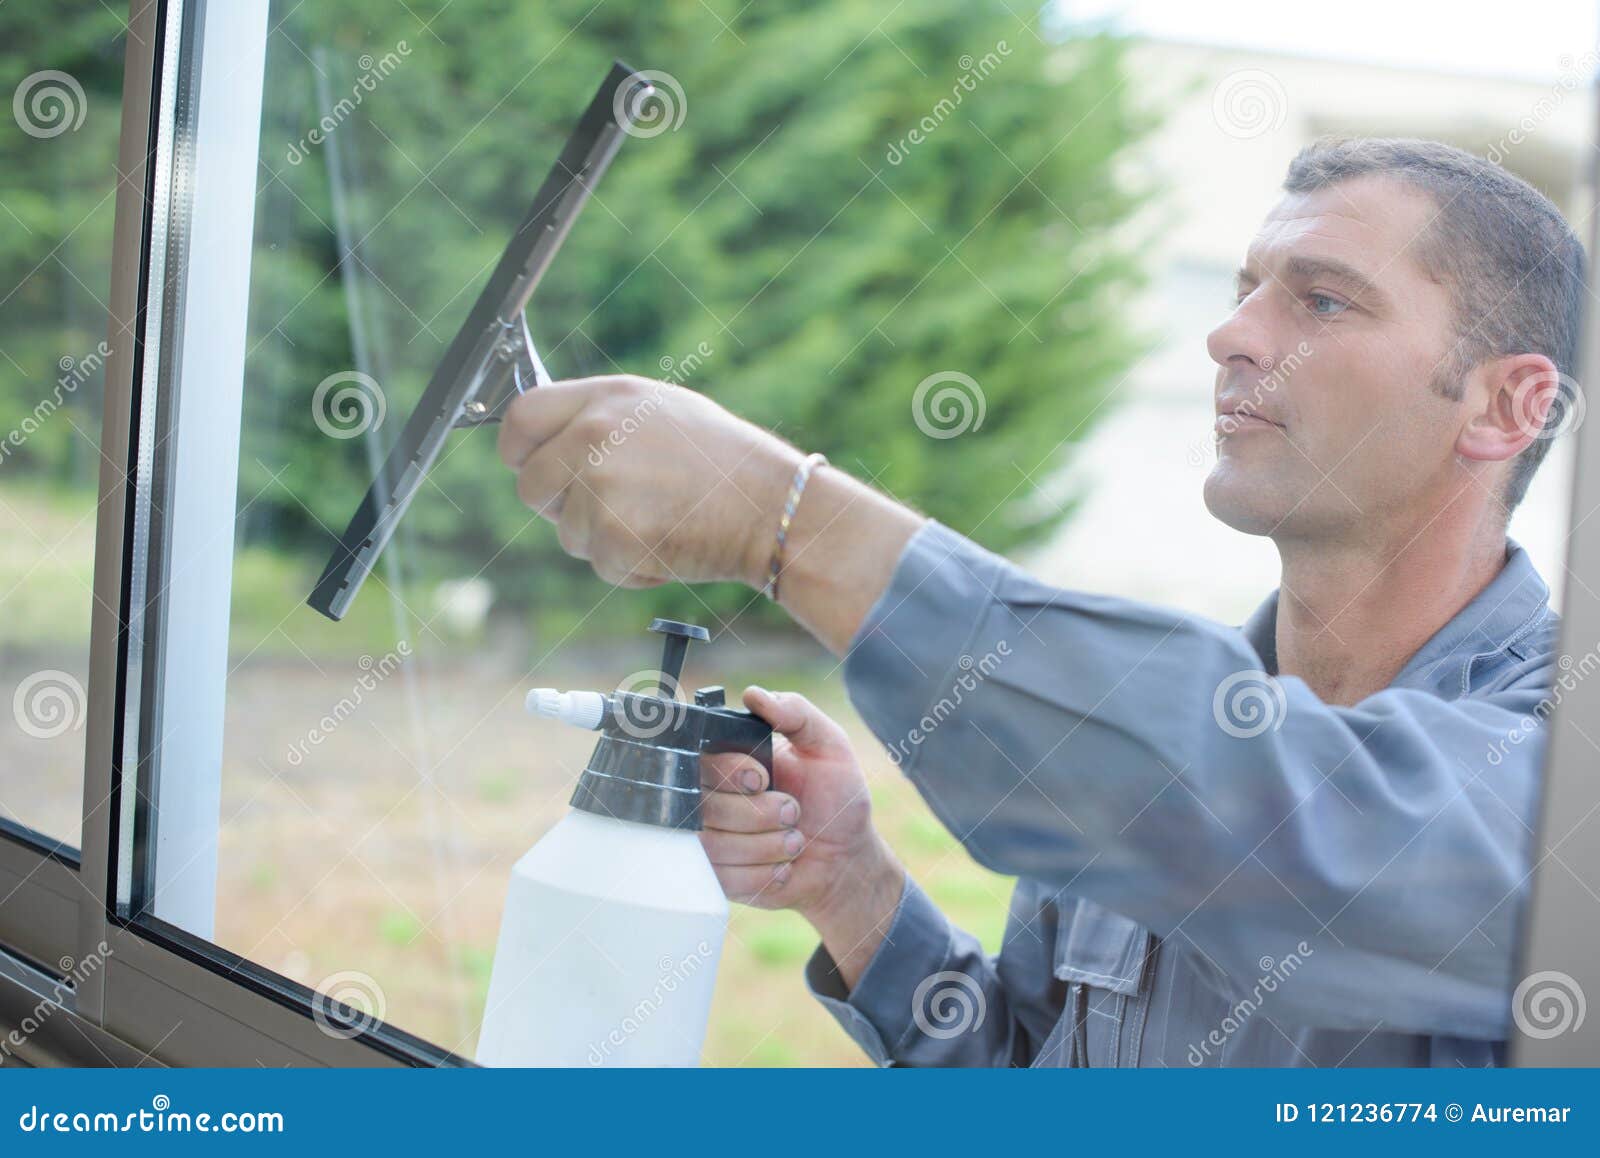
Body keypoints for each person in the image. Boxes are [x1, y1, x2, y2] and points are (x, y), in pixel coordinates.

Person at [496, 138, 1584, 1066]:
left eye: (1322, 299)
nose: (1232, 335)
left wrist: (788, 521)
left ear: (1507, 405)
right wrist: (854, 890)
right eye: (1243, 289)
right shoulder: (1139, 733)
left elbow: (1290, 830)